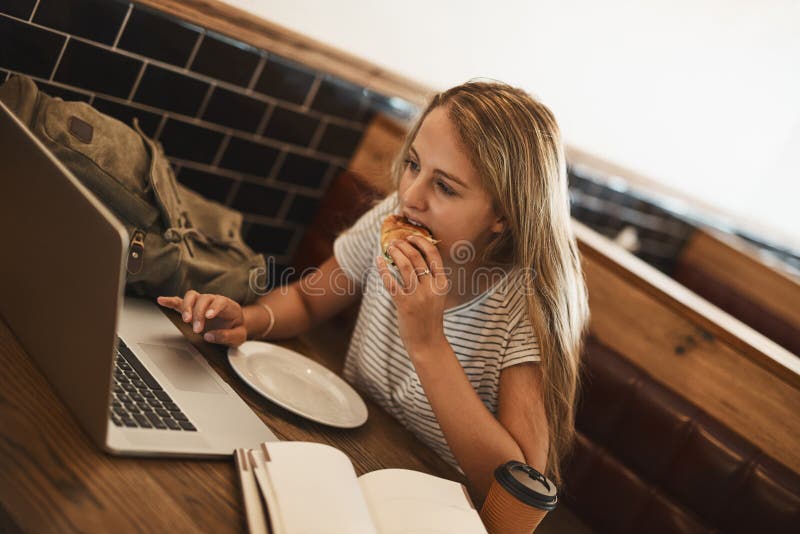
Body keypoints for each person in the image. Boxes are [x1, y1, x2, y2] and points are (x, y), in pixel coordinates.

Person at [157, 81, 589, 499]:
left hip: (431, 505)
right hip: (343, 460)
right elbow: (309, 301)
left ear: (503, 216)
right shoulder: (392, 219)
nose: (410, 197)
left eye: (444, 186)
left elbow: (519, 489)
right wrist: (249, 319)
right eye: (414, 165)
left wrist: (428, 342)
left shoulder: (526, 310)